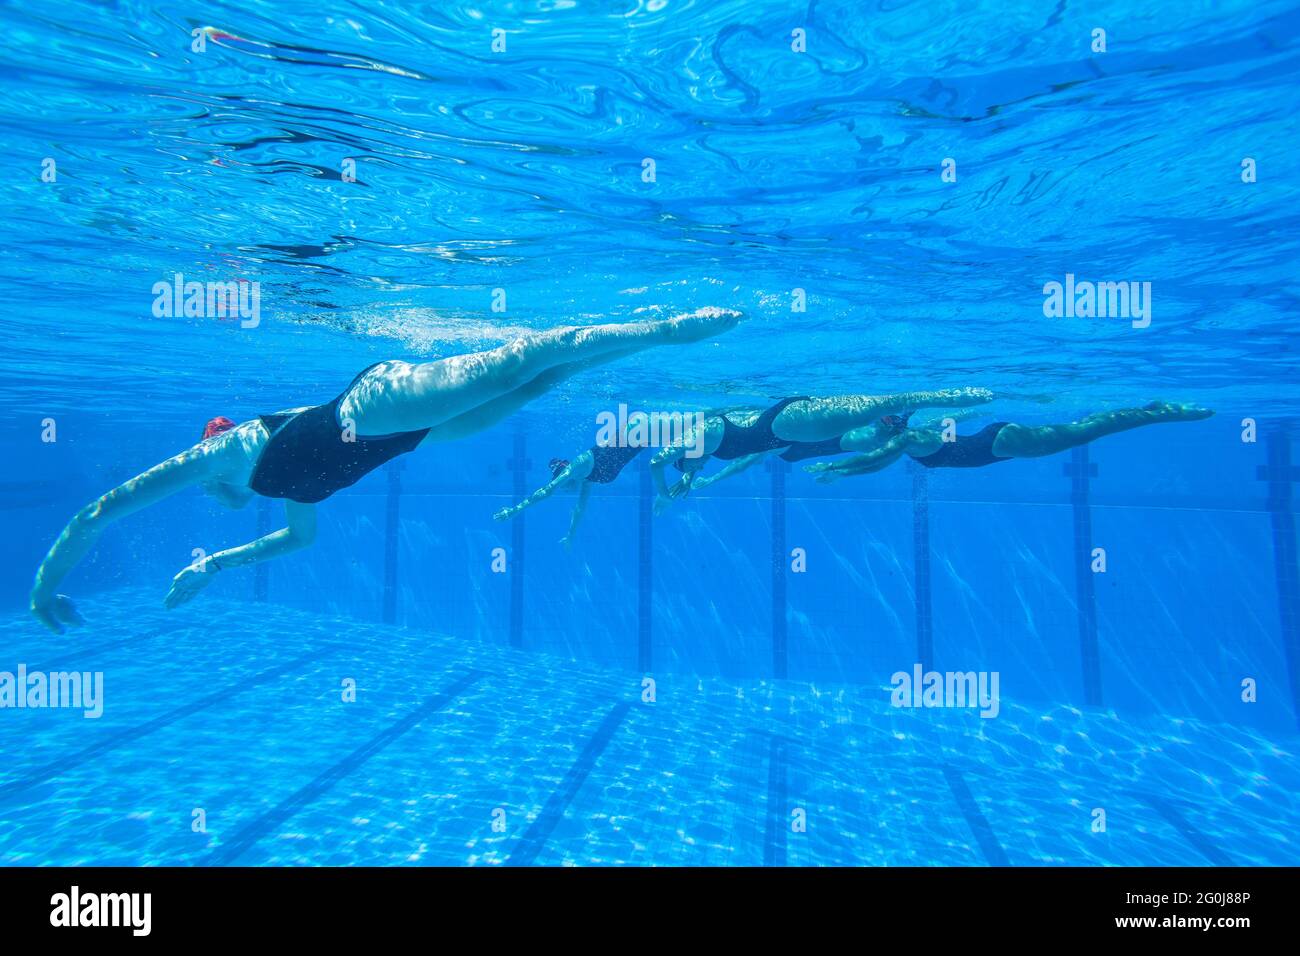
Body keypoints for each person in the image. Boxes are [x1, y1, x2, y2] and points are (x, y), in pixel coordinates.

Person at [28, 308, 740, 631]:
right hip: (402, 440)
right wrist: (211, 565)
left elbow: (99, 511)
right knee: (535, 387)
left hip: (369, 408)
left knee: (513, 365)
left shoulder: (224, 454)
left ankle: (665, 325)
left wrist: (44, 587)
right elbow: (297, 541)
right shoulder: (281, 489)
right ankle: (650, 346)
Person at [648, 387, 994, 509]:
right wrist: (689, 481)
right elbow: (686, 465)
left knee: (882, 404)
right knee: (883, 431)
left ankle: (957, 393)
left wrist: (663, 493)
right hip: (792, 431)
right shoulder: (699, 451)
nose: (698, 465)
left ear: (686, 454)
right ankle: (946, 410)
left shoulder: (701, 434)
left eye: (690, 464)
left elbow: (657, 461)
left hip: (786, 423)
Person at [804, 401, 1213, 481]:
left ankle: (1159, 413)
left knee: (1085, 431)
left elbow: (878, 461)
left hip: (1000, 444)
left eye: (893, 419)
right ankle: (1152, 411)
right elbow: (876, 455)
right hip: (992, 440)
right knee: (1082, 430)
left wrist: (837, 468)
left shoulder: (908, 439)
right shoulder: (912, 434)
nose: (891, 425)